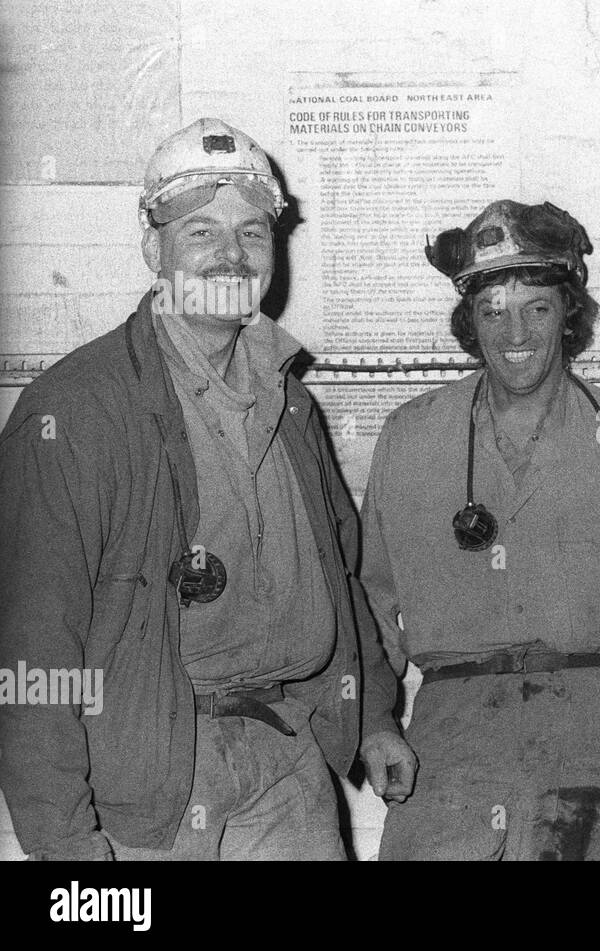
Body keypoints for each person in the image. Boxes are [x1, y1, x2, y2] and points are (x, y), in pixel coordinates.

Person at [0, 118, 414, 860]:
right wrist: (61, 842)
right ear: (153, 243)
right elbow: (33, 642)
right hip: (151, 768)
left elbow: (338, 574)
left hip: (287, 753)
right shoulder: (77, 412)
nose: (230, 256)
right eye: (201, 232)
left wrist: (372, 713)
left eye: (253, 233)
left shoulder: (288, 398)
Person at [361, 199, 600, 860]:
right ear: (470, 321)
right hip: (451, 737)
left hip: (588, 732)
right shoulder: (412, 438)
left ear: (568, 312)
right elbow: (371, 602)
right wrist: (374, 719)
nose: (513, 331)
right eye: (493, 310)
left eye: (537, 308)